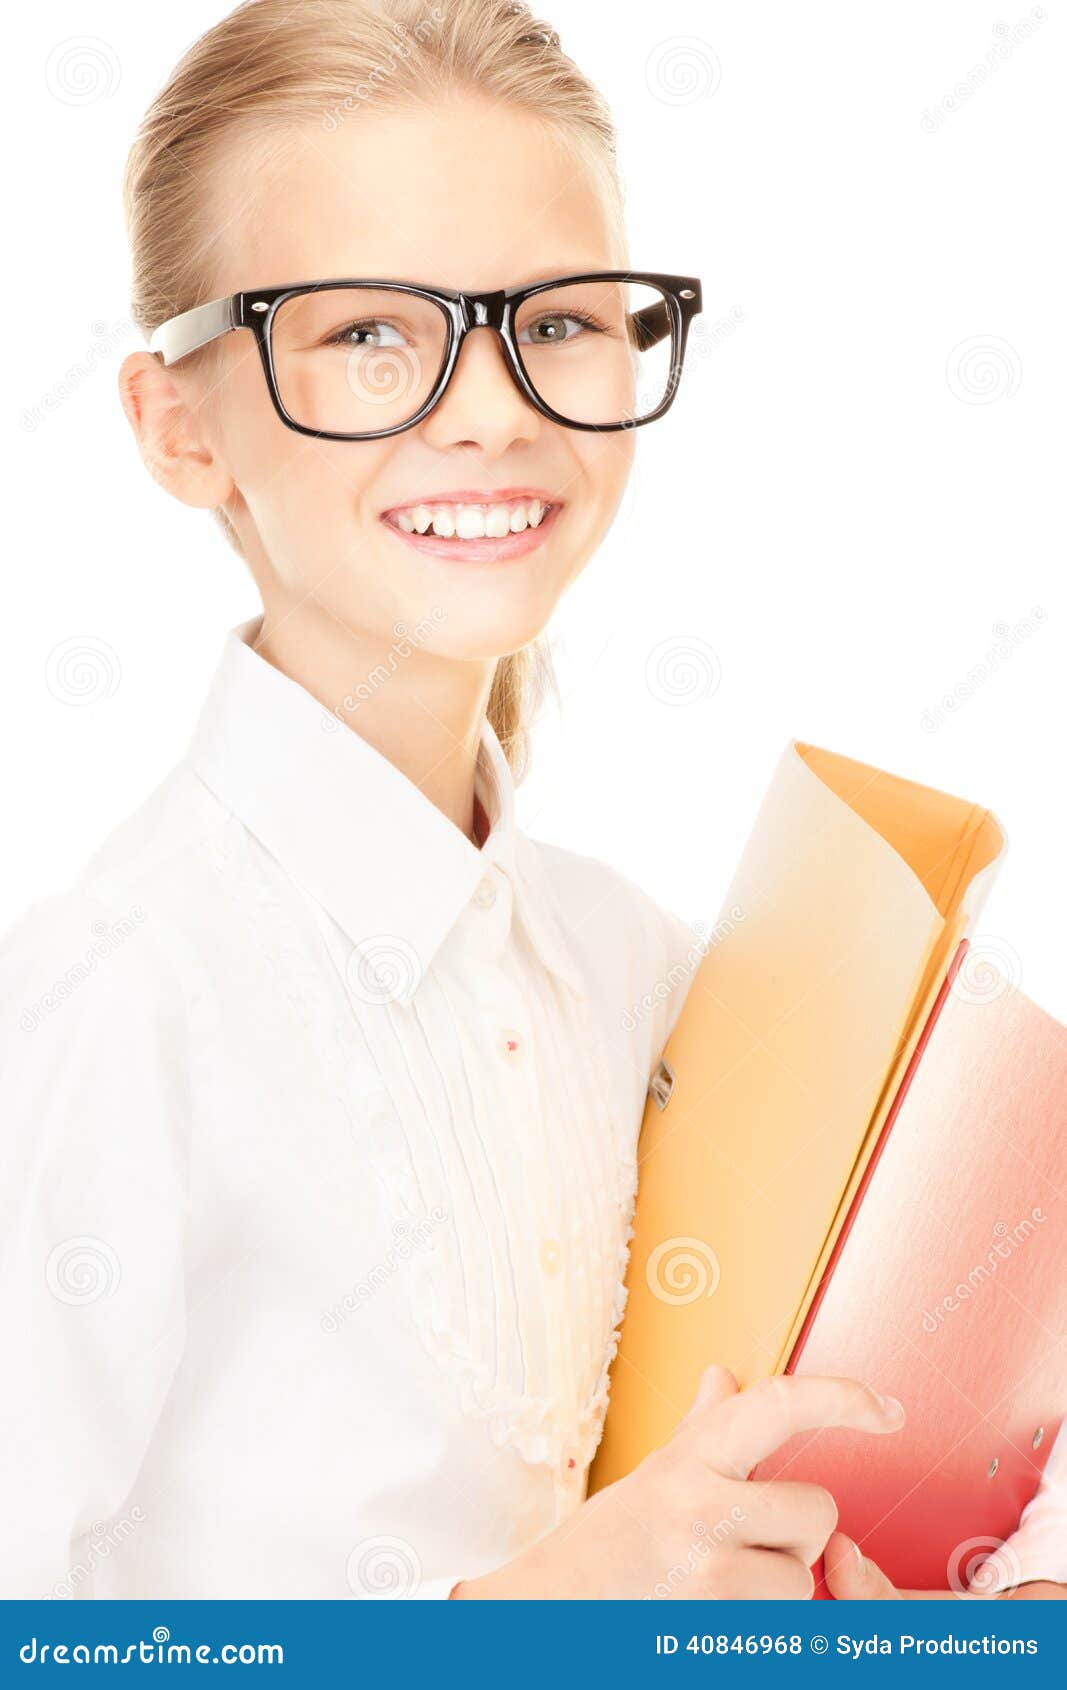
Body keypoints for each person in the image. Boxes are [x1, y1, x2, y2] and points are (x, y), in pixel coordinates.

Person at [2, 0, 1062, 1601]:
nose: (492, 407)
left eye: (557, 319)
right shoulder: (109, 1009)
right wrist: (539, 1624)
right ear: (179, 425)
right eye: (369, 333)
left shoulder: (640, 964)